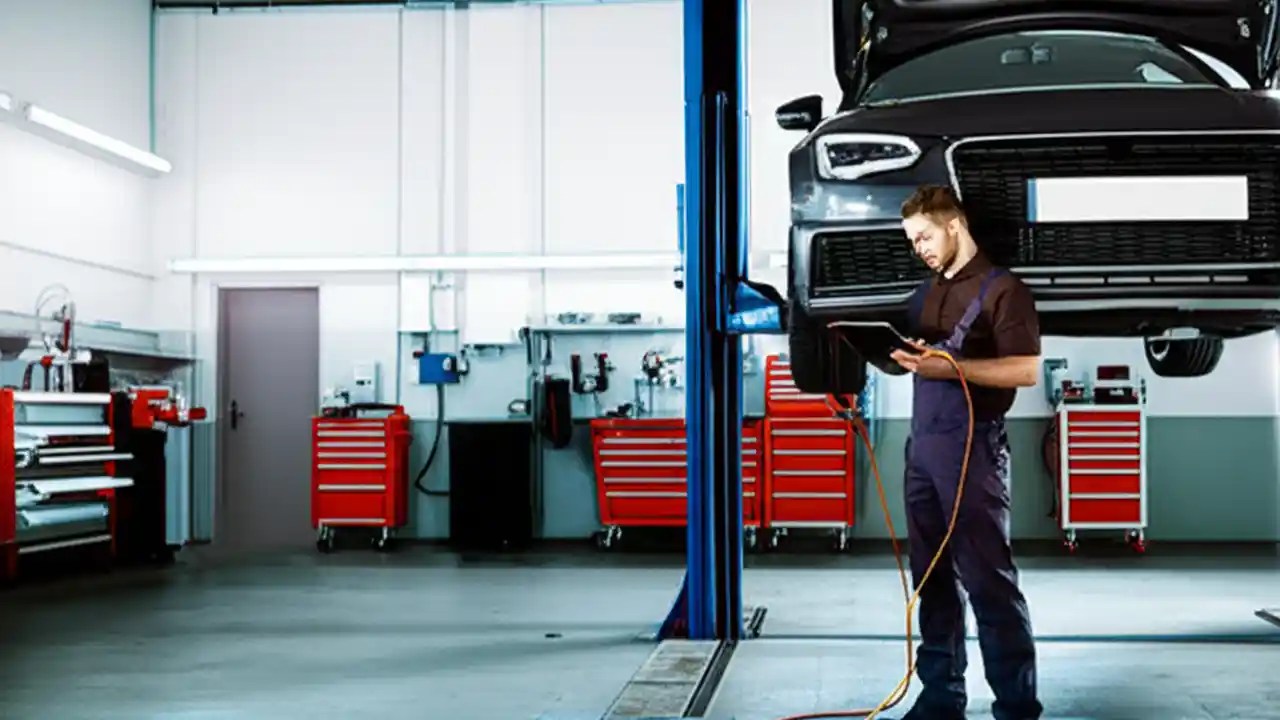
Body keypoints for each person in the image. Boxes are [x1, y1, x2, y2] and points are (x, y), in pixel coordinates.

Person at [886, 185, 1044, 720]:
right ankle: (941, 699)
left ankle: (1017, 707)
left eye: (925, 237)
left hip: (974, 450)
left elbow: (1025, 370)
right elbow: (910, 354)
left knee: (987, 580)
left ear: (954, 225)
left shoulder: (1005, 291)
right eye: (913, 241)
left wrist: (951, 367)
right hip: (923, 450)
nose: (920, 249)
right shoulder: (925, 293)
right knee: (931, 578)